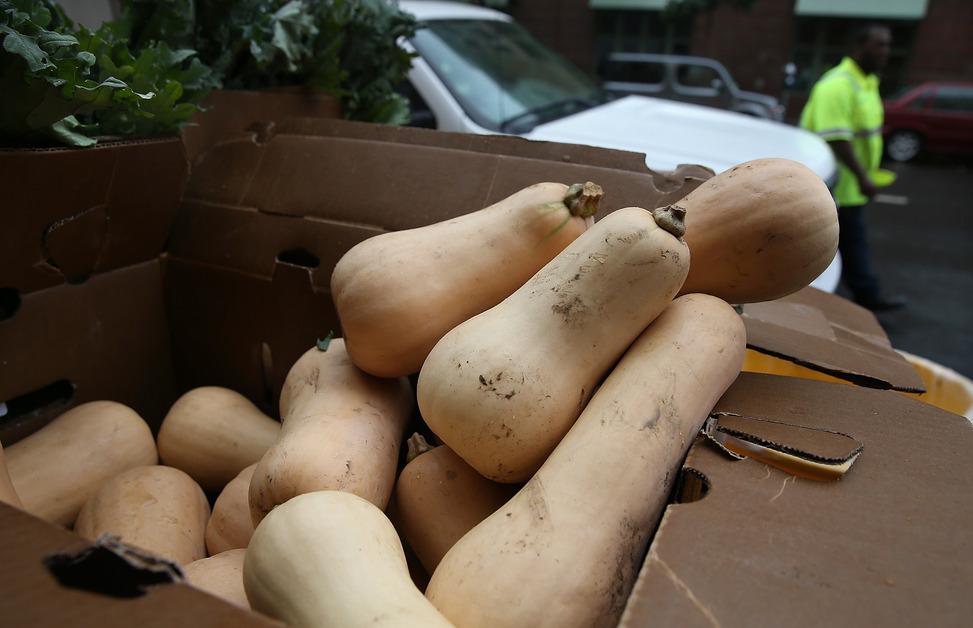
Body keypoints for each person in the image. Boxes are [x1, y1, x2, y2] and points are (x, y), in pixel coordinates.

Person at [800, 23, 906, 311]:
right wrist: (863, 178)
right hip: (834, 186)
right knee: (841, 245)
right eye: (880, 45)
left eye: (888, 44)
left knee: (843, 246)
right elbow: (836, 138)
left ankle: (861, 296)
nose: (886, 51)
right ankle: (865, 298)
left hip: (847, 189)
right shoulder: (837, 85)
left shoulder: (866, 83)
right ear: (859, 47)